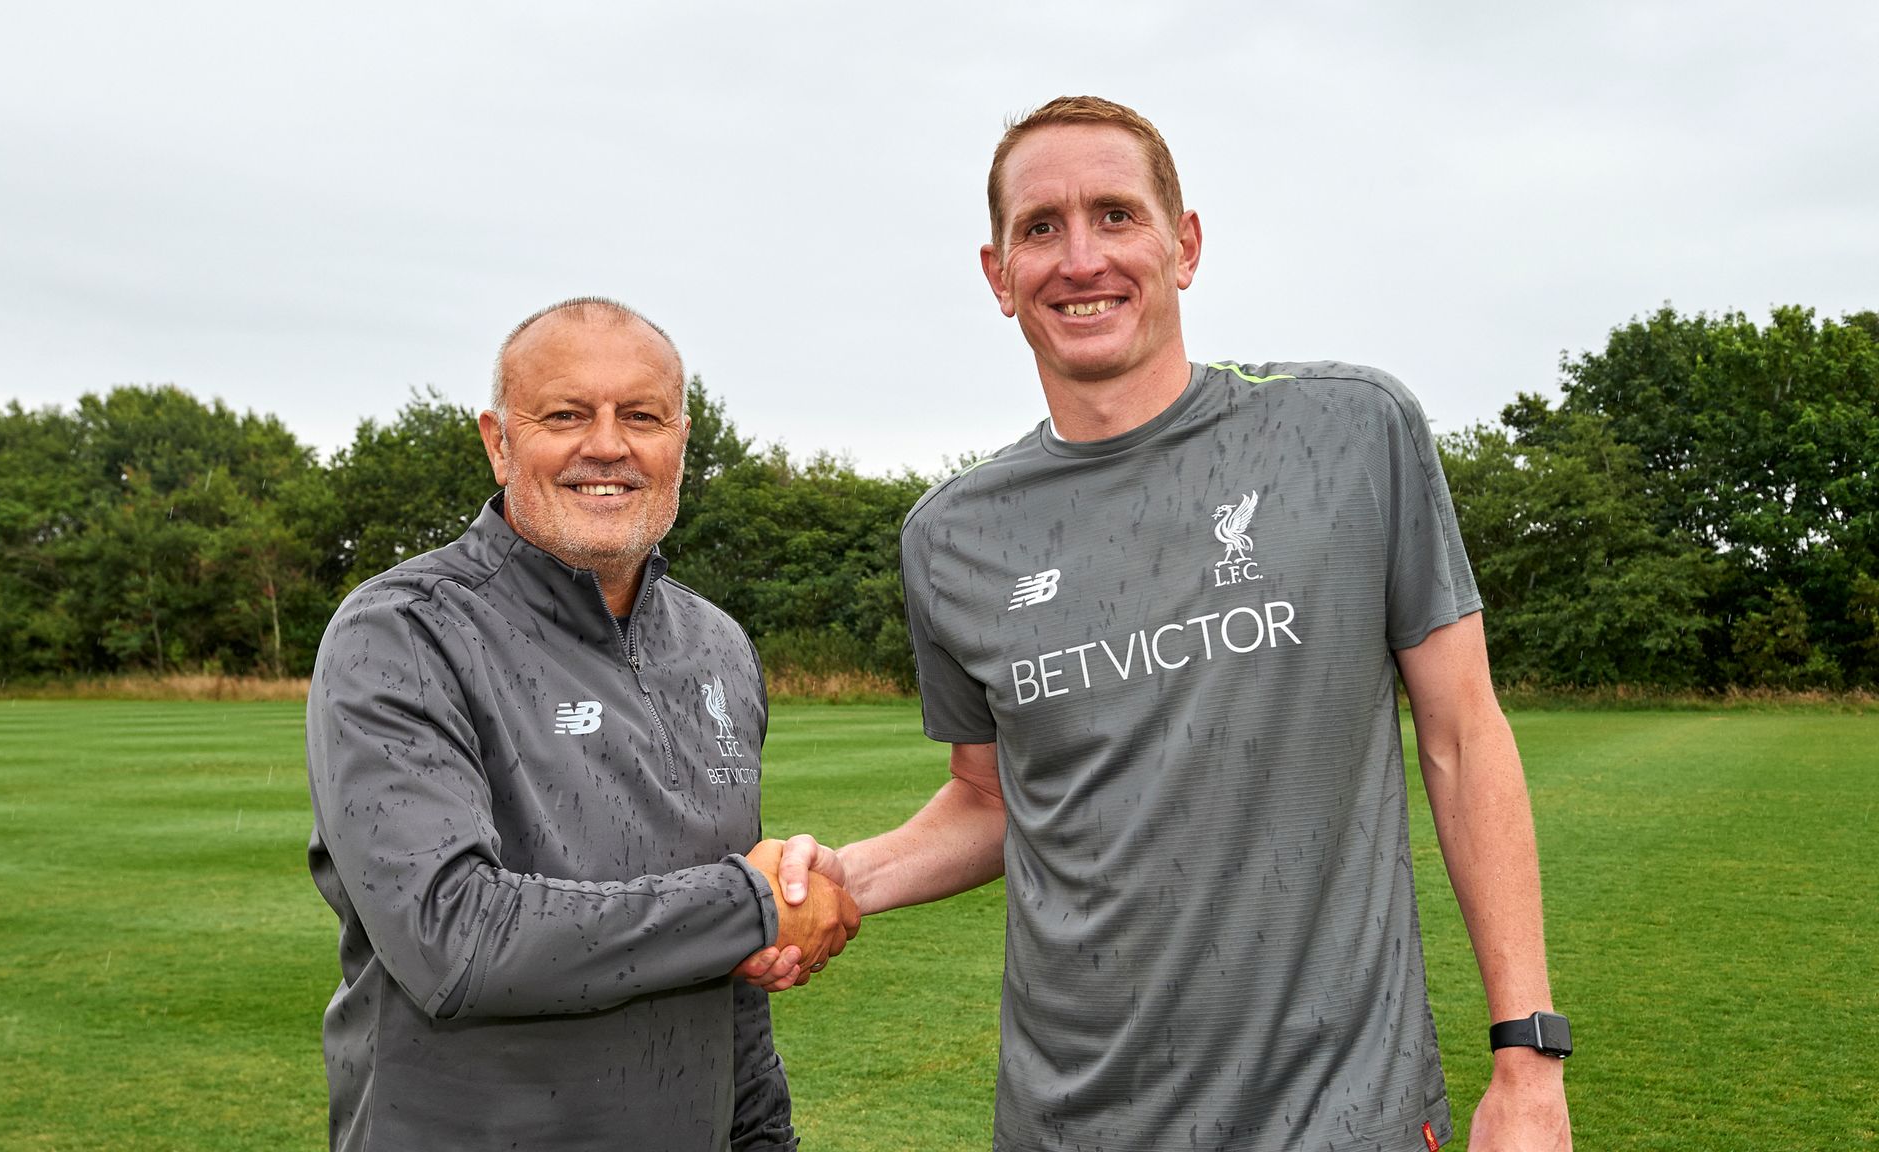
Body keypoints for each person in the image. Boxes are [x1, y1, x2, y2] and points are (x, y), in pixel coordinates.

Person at [768, 97, 1574, 1151]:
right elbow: (987, 799)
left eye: (1114, 215)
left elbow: (1463, 738)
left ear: (1181, 245)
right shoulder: (949, 537)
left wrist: (1525, 1056)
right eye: (1039, 228)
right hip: (1070, 1122)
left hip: (1342, 1115)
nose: (1078, 257)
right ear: (997, 273)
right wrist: (840, 878)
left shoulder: (1349, 432)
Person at [305, 297, 859, 1151]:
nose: (607, 444)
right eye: (565, 414)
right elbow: (453, 938)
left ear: (680, 440)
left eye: (641, 415)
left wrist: (762, 1136)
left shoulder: (717, 647)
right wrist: (749, 902)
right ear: (498, 440)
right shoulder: (403, 630)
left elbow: (732, 981)